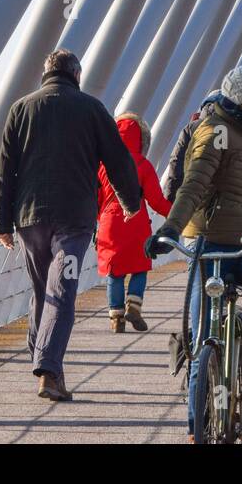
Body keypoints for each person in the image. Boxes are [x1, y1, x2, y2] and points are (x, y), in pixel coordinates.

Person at [146, 65, 242, 438]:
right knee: (199, 337)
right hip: (208, 242)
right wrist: (171, 228)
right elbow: (193, 185)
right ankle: (196, 428)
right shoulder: (218, 132)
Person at [0, 49, 141, 402]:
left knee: (43, 289)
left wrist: (1, 221)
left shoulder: (21, 108)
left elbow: (4, 170)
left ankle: (43, 359)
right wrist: (130, 202)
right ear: (76, 74)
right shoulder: (91, 109)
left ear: (46, 73)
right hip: (73, 220)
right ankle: (47, 370)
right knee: (62, 291)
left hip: (29, 219)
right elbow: (118, 159)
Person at [96, 112, 171, 334]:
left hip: (110, 223)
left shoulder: (102, 165)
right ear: (141, 139)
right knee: (140, 266)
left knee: (114, 272)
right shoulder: (144, 165)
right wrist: (178, 216)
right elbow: (156, 201)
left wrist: (98, 221)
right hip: (137, 221)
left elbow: (95, 199)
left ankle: (116, 318)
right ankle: (134, 305)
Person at [163, 89, 218, 204]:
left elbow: (176, 162)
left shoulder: (191, 128)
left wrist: (170, 197)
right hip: (212, 203)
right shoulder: (230, 132)